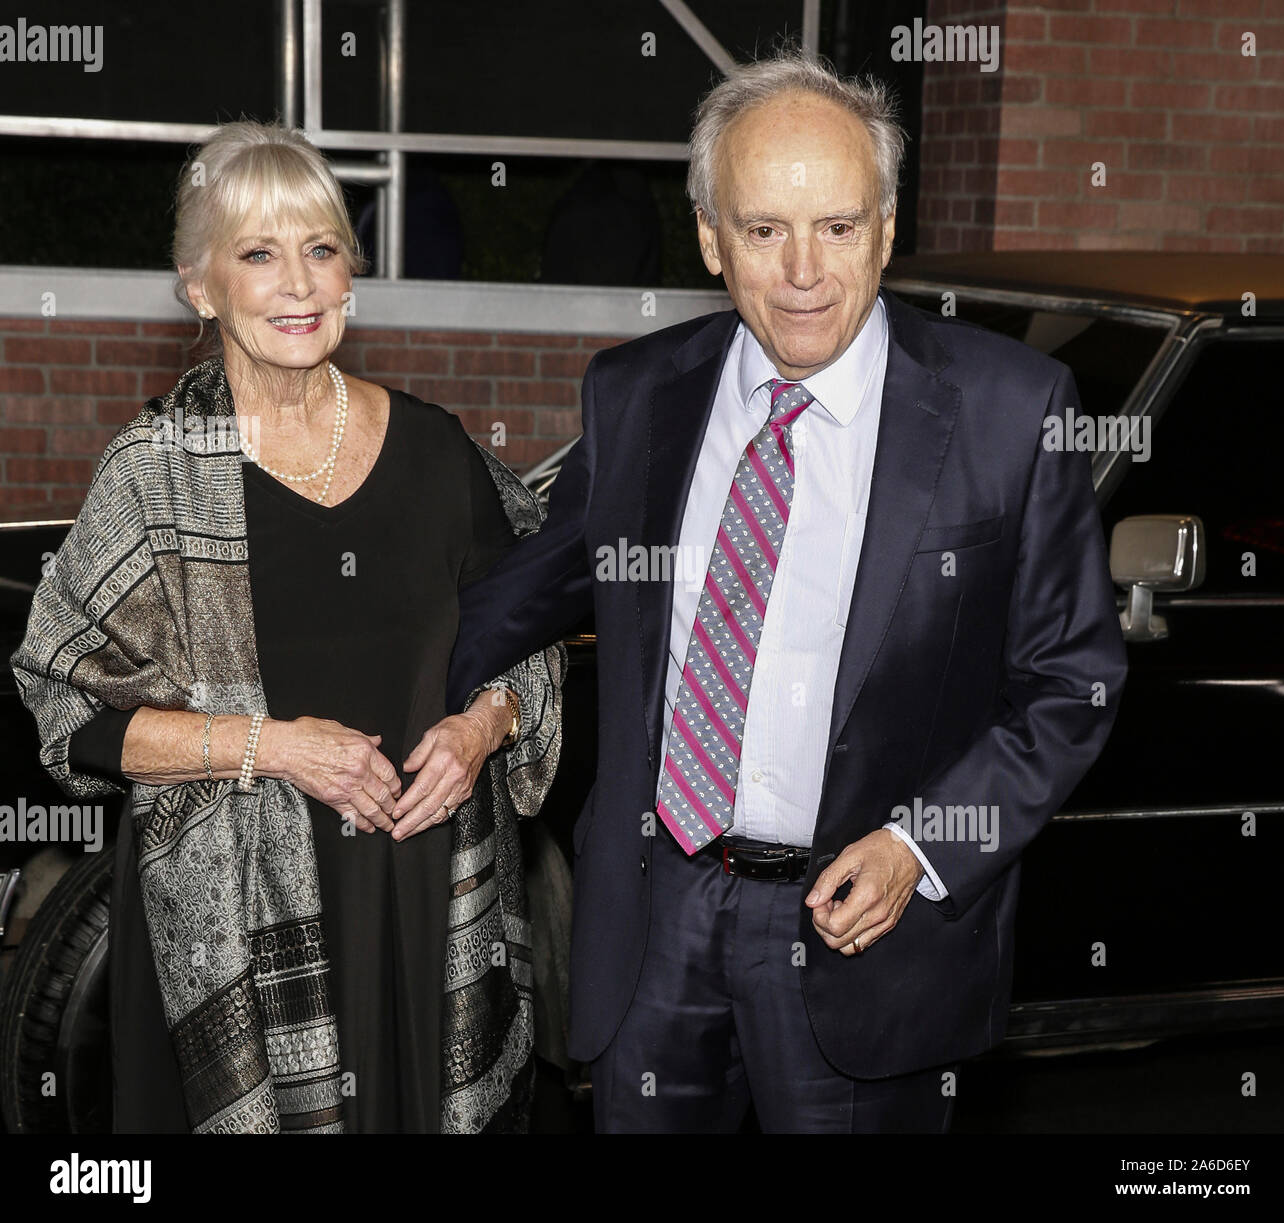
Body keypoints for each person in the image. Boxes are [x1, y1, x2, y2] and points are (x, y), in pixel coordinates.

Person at [448, 51, 1128, 1133]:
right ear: (713, 240)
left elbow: (1068, 683)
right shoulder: (639, 394)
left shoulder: (1010, 409)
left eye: (840, 228)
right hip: (657, 915)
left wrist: (922, 844)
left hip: (869, 933)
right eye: (765, 230)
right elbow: (520, 595)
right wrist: (321, 681)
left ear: (889, 229)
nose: (805, 270)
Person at [10, 121, 564, 1134]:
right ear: (199, 285)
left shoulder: (439, 455)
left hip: (421, 915)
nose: (299, 284)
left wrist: (485, 725)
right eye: (258, 253)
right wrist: (277, 747)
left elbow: (529, 627)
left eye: (320, 249)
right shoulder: (155, 473)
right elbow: (67, 709)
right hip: (233, 951)